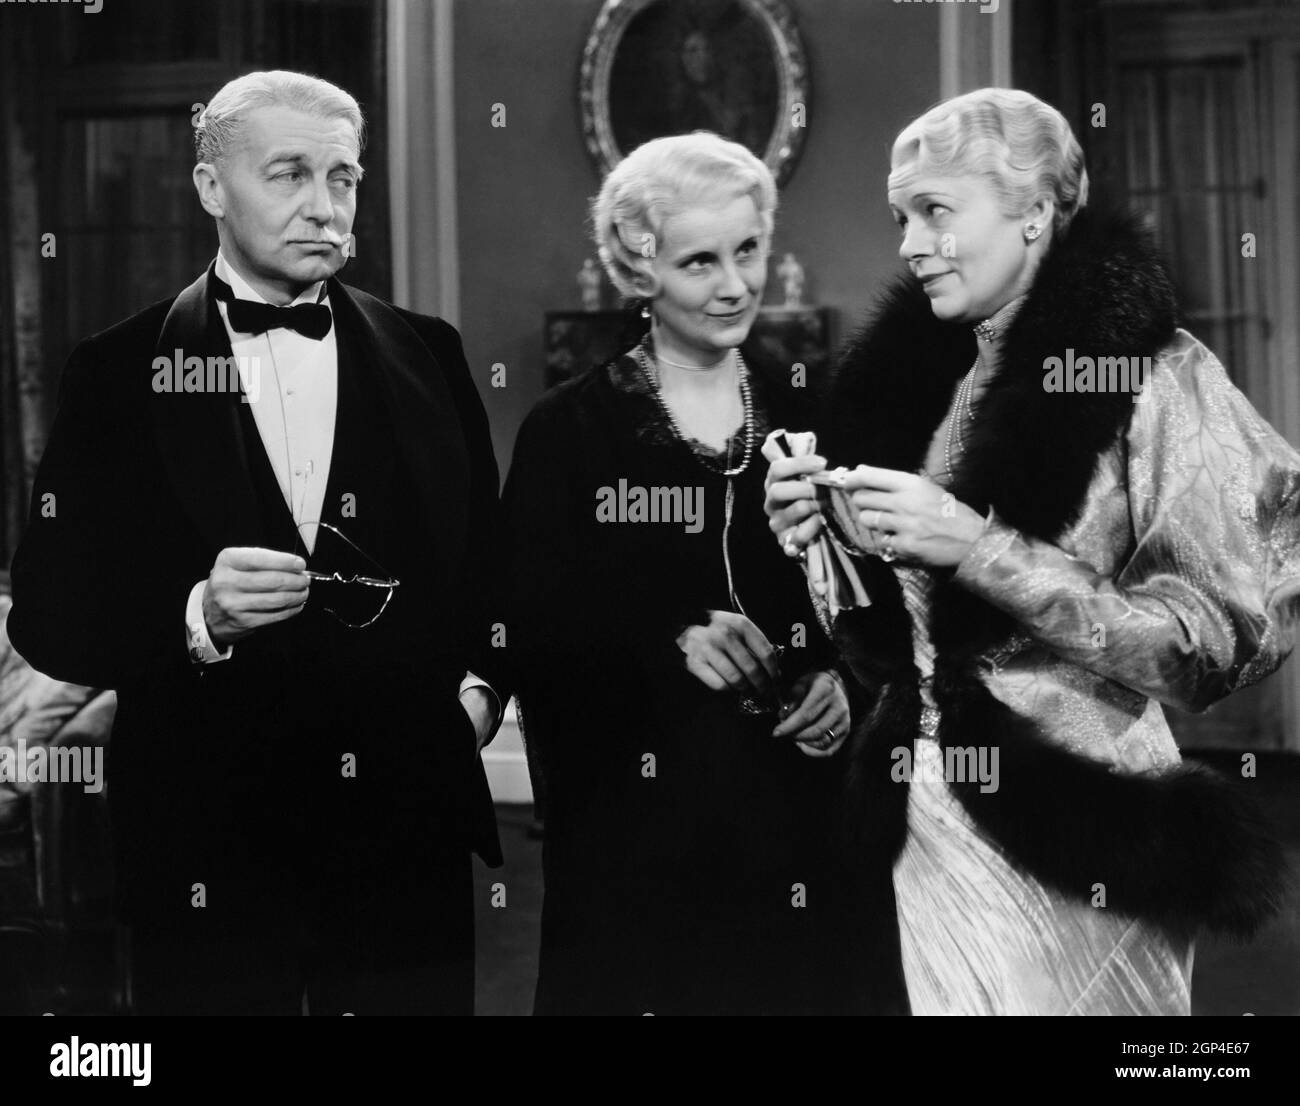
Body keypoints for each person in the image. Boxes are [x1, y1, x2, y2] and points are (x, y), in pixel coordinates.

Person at [766, 87, 1299, 1016]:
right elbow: (890, 645)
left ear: (1036, 211)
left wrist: (980, 548)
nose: (907, 243)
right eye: (899, 216)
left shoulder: (1157, 376)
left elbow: (1202, 648)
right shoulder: (925, 384)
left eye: (935, 210)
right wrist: (818, 543)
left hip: (1084, 822)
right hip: (929, 814)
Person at [8, 71, 507, 1015]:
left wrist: (477, 699)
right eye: (289, 175)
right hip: (209, 849)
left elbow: (494, 569)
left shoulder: (431, 354)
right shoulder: (115, 374)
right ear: (210, 189)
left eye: (345, 178)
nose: (325, 209)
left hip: (408, 834)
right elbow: (49, 614)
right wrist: (197, 616)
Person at [503, 132, 907, 1015]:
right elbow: (525, 630)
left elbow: (886, 609)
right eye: (699, 261)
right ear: (636, 270)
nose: (733, 284)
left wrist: (848, 681)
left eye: (748, 250)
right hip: (641, 834)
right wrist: (667, 639)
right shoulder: (567, 434)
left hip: (804, 825)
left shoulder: (819, 411)